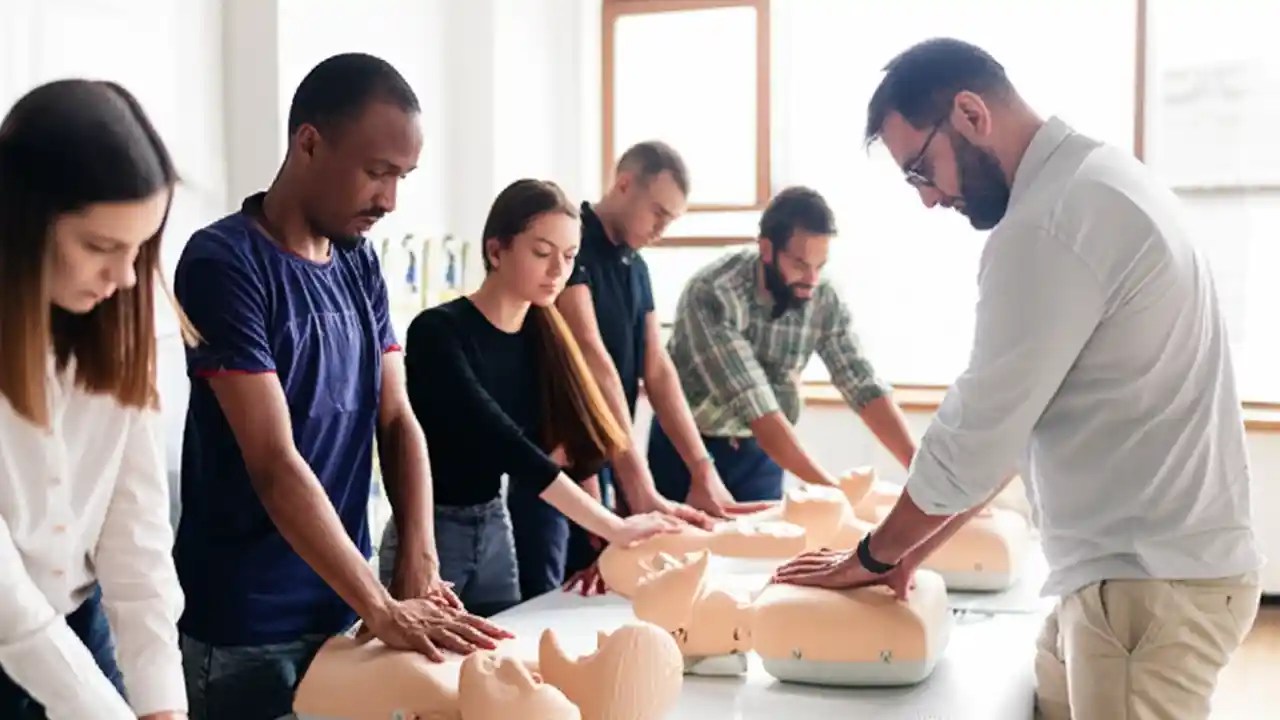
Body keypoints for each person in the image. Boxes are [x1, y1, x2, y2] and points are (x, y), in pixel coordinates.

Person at [772, 38, 1263, 720]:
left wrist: (873, 556)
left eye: (921, 170)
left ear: (970, 114)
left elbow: (979, 429)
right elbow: (1018, 425)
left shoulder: (1050, 222)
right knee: (1041, 697)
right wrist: (920, 547)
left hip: (1148, 582)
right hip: (1136, 569)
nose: (929, 199)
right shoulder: (1103, 174)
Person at [172, 53, 507, 720]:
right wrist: (380, 604)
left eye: (402, 177)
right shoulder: (223, 262)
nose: (389, 200)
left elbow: (398, 419)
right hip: (246, 628)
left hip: (342, 609)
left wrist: (417, 559)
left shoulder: (357, 262)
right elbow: (273, 462)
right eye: (377, 172)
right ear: (309, 142)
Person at [378, 178, 683, 616]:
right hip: (428, 534)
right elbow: (506, 444)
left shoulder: (545, 339)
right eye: (542, 253)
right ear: (496, 251)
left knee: (497, 665)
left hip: (495, 527)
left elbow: (580, 451)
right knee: (414, 675)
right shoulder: (438, 332)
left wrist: (605, 551)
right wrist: (612, 526)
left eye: (570, 256)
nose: (557, 270)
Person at [0, 79, 188, 720]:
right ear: (21, 224)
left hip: (81, 633)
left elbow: (138, 541)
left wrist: (162, 705)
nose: (127, 277)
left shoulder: (115, 328)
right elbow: (10, 610)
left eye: (141, 248)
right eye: (101, 247)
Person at [517, 141, 749, 600]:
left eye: (672, 219)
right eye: (658, 212)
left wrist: (702, 469)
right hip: (552, 463)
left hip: (602, 455)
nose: (662, 228)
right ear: (624, 185)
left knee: (598, 592)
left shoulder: (637, 266)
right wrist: (636, 480)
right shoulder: (571, 242)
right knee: (546, 597)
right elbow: (591, 354)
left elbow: (657, 369)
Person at [651, 186, 917, 503]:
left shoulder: (822, 295)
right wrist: (839, 497)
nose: (812, 280)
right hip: (689, 449)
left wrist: (921, 473)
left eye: (820, 266)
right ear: (766, 250)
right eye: (800, 264)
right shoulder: (713, 293)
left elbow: (860, 381)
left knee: (766, 546)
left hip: (761, 452)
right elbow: (755, 404)